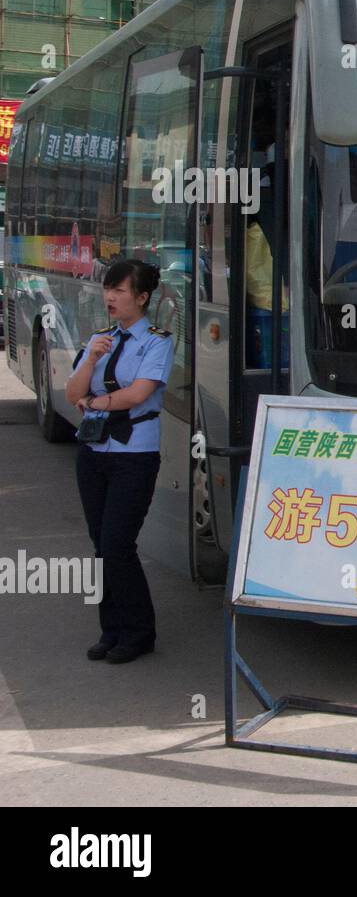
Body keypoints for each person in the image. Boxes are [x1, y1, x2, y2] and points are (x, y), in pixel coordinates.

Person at [65, 259, 176, 664]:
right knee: (101, 545)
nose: (110, 297)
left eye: (120, 290)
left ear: (142, 297)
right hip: (93, 453)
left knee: (117, 544)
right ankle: (110, 629)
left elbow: (137, 394)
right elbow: (70, 391)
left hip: (134, 453)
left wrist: (93, 402)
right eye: (107, 289)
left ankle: (138, 632)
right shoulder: (100, 338)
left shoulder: (157, 341)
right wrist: (91, 360)